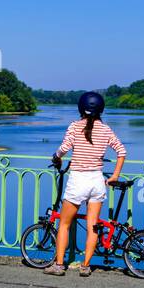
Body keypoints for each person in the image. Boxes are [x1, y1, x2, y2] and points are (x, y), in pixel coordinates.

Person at [45, 91, 126, 277]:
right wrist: (114, 176)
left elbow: (63, 149)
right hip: (97, 181)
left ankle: (59, 265)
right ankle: (86, 266)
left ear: (81, 108)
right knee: (93, 226)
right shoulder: (106, 130)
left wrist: (56, 157)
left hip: (78, 180)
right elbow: (122, 151)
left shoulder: (74, 127)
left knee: (64, 224)